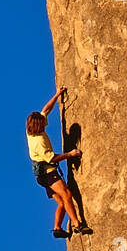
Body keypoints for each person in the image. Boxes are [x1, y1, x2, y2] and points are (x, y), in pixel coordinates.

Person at [26, 88, 92, 239]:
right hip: (48, 173)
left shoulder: (30, 132)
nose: (45, 124)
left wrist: (56, 95)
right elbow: (52, 159)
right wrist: (70, 154)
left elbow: (46, 110)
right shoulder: (39, 142)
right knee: (67, 194)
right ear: (38, 126)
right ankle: (78, 224)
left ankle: (57, 228)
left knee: (62, 202)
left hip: (41, 176)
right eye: (42, 124)